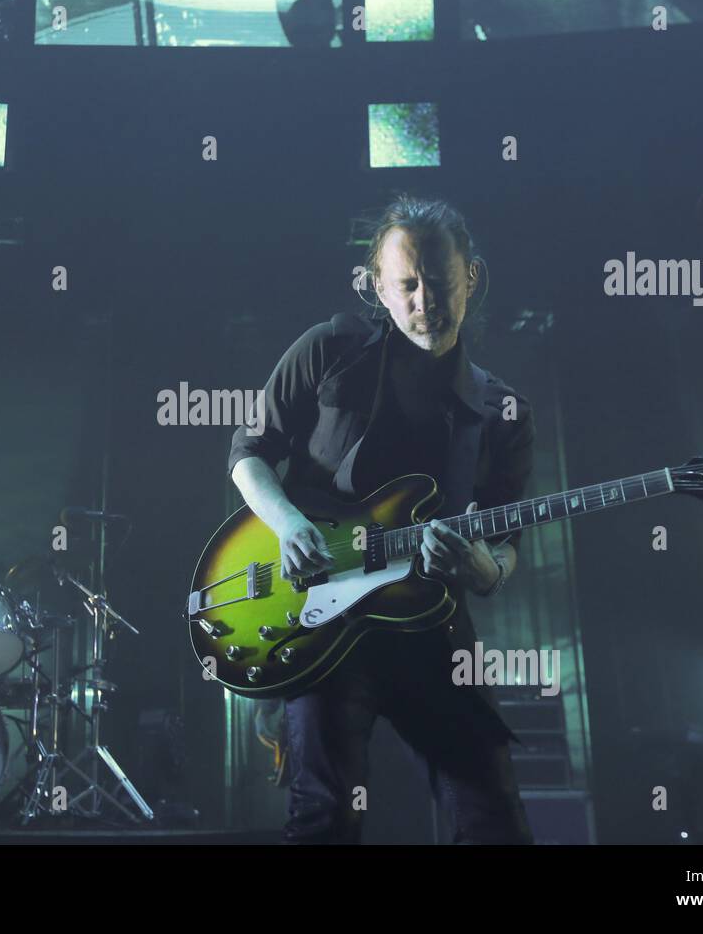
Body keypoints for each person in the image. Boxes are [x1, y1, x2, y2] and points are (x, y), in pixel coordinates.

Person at [226, 195, 535, 843]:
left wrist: (485, 567)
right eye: (407, 284)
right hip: (326, 625)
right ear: (378, 288)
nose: (425, 298)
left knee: (493, 817)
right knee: (328, 814)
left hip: (432, 628)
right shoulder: (328, 349)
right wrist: (287, 523)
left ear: (470, 278)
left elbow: (506, 545)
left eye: (440, 280)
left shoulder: (503, 409)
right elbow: (250, 453)